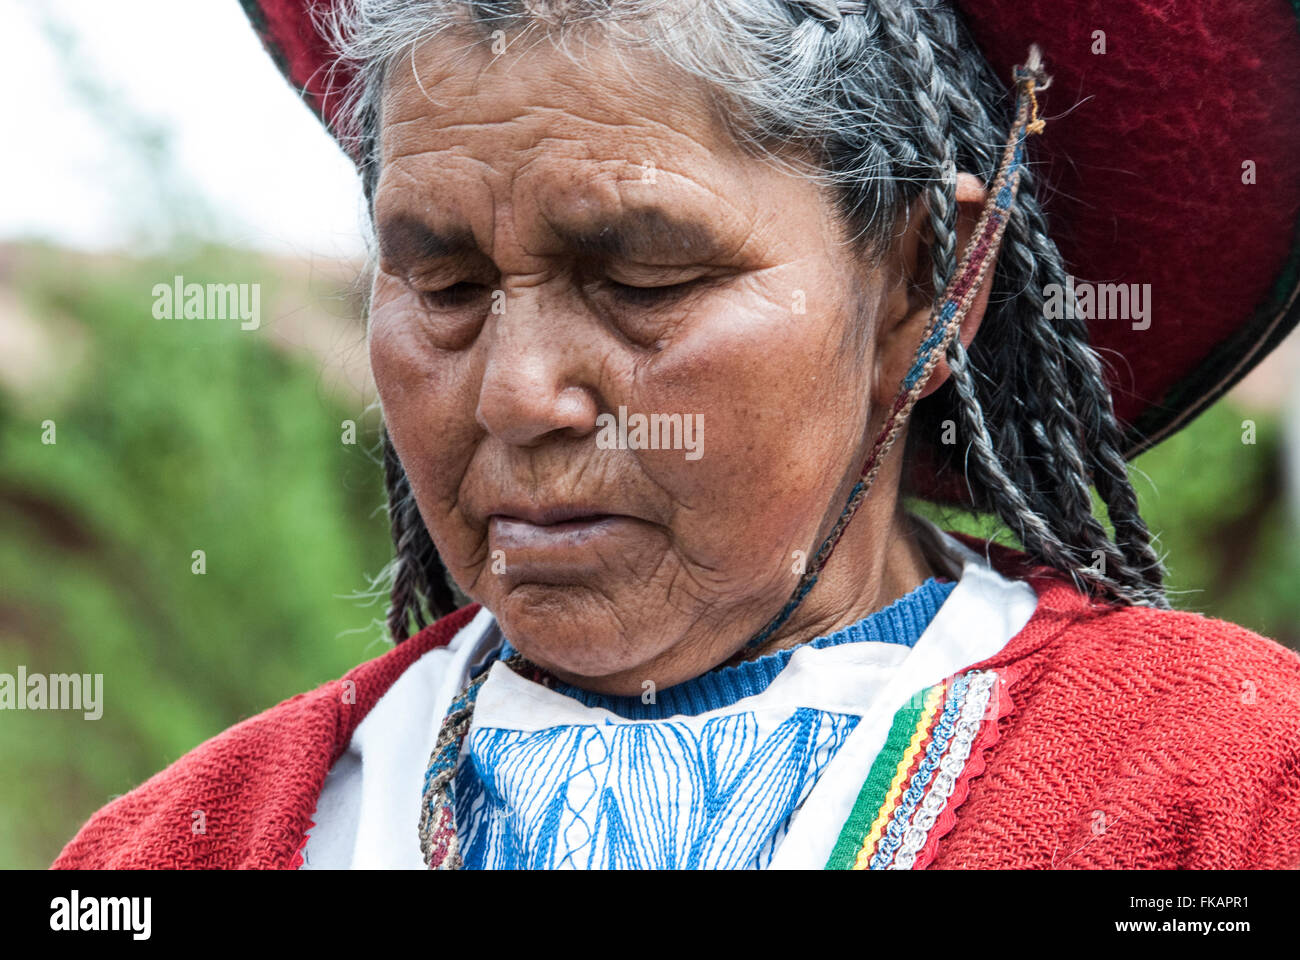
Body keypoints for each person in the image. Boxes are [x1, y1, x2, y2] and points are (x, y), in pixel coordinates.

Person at [55, 0, 1300, 869]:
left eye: (642, 283)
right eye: (444, 289)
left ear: (930, 280)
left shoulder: (1227, 794)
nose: (515, 395)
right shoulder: (185, 847)